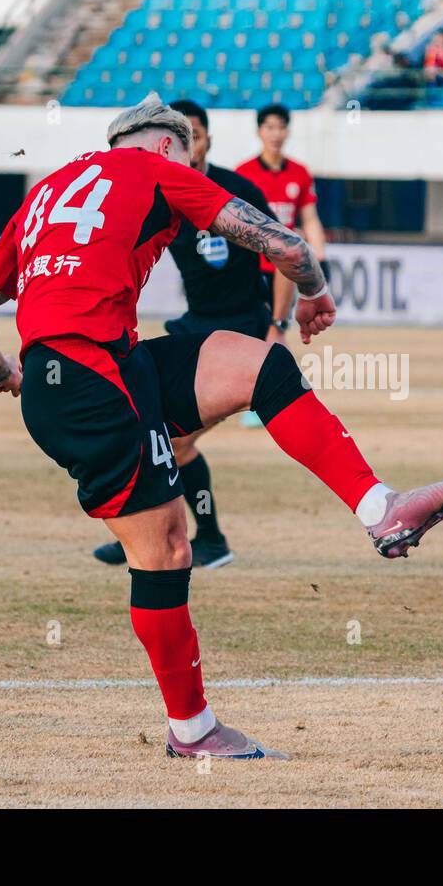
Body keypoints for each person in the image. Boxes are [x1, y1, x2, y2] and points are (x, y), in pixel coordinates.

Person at [0, 93, 443, 760]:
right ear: (172, 146)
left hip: (103, 365)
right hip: (92, 383)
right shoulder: (161, 171)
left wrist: (3, 374)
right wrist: (314, 294)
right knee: (166, 548)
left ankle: (381, 507)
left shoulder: (49, 189)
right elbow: (283, 243)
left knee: (263, 368)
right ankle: (192, 731)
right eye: (188, 149)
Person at [91, 99, 286, 571]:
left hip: (241, 325)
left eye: (195, 135)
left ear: (207, 140)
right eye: (181, 136)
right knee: (145, 431)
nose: (188, 145)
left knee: (175, 445)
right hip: (192, 326)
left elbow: (282, 254)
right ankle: (148, 533)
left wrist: (277, 327)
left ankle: (210, 539)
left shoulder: (237, 191)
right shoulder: (157, 199)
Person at [234, 103, 328, 427]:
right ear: (259, 131)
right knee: (257, 334)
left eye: (281, 127)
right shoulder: (242, 173)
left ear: (288, 130)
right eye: (269, 127)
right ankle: (256, 400)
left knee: (276, 330)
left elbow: (310, 218)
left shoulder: (299, 174)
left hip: (284, 272)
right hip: (251, 269)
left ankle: (265, 402)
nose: (275, 134)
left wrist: (320, 257)